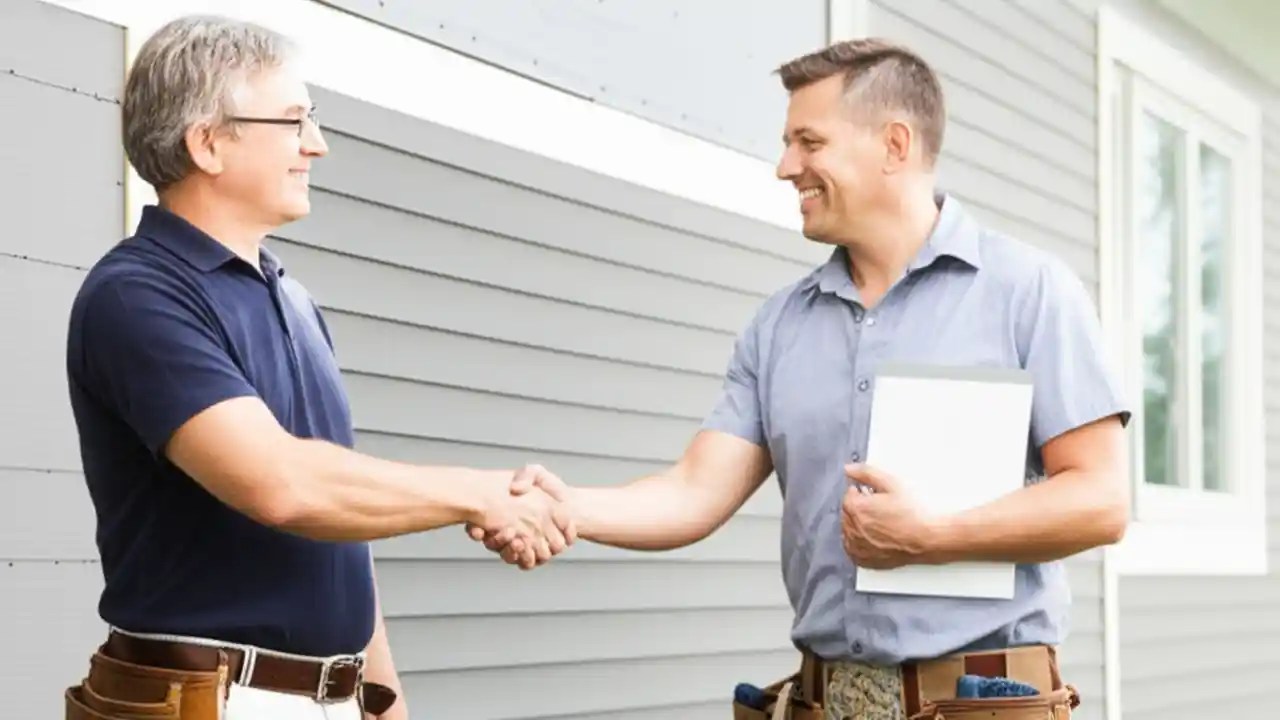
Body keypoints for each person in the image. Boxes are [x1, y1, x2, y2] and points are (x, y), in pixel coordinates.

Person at [471, 38, 1131, 719]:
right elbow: (695, 491)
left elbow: (1101, 499)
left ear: (894, 146)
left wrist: (935, 534)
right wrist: (566, 509)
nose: (787, 167)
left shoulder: (1029, 292)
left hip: (978, 705)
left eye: (809, 143)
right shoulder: (779, 325)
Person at [62, 15, 572, 720]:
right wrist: (482, 493)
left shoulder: (292, 300)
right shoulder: (138, 295)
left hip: (328, 698)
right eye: (294, 121)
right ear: (208, 142)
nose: (317, 145)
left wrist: (383, 697)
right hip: (207, 701)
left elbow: (338, 516)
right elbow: (283, 485)